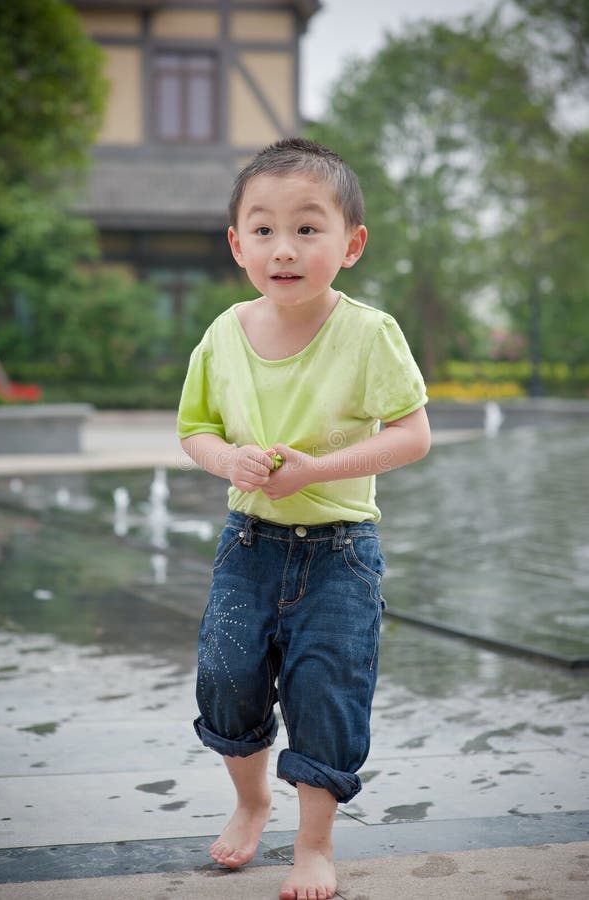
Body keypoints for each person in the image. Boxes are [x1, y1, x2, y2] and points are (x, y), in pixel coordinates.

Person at [177, 137, 430, 900]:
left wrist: (319, 469)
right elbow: (196, 430)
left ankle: (313, 844)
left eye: (307, 229)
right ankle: (252, 800)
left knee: (327, 692)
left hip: (339, 553)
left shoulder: (368, 333)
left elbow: (411, 434)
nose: (283, 248)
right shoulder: (224, 334)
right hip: (247, 545)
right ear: (236, 244)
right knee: (226, 679)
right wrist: (230, 461)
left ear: (349, 243)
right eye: (263, 230)